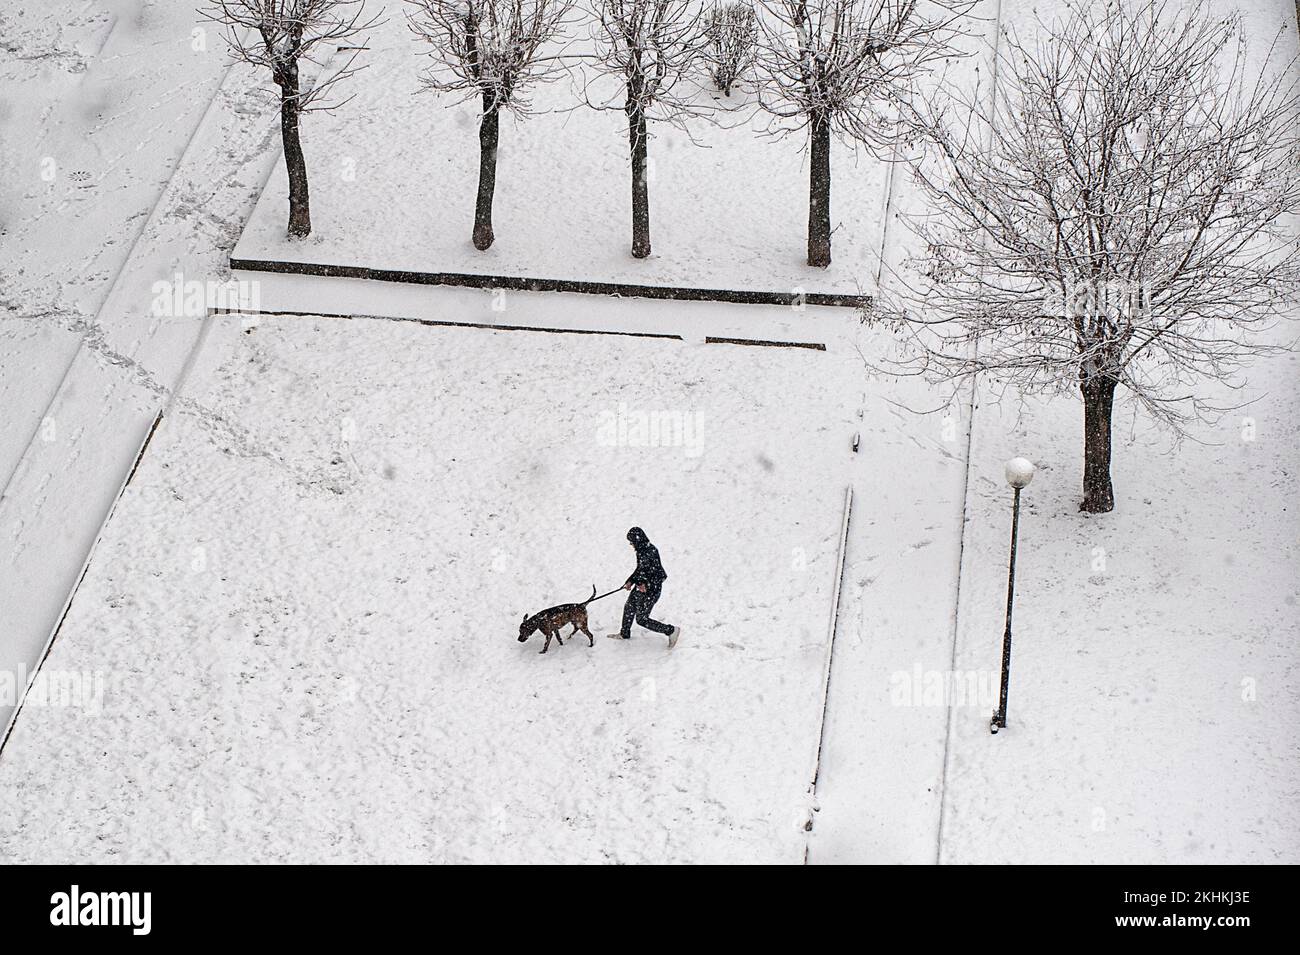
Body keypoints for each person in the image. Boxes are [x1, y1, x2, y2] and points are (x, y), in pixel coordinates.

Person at [616, 527, 680, 647]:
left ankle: (671, 631)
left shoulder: (649, 551)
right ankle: (624, 633)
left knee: (642, 619)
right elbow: (640, 570)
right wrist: (631, 581)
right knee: (629, 606)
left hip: (652, 590)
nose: (631, 544)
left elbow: (655, 573)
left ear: (637, 541)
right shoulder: (642, 550)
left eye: (632, 542)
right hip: (643, 586)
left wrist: (644, 585)